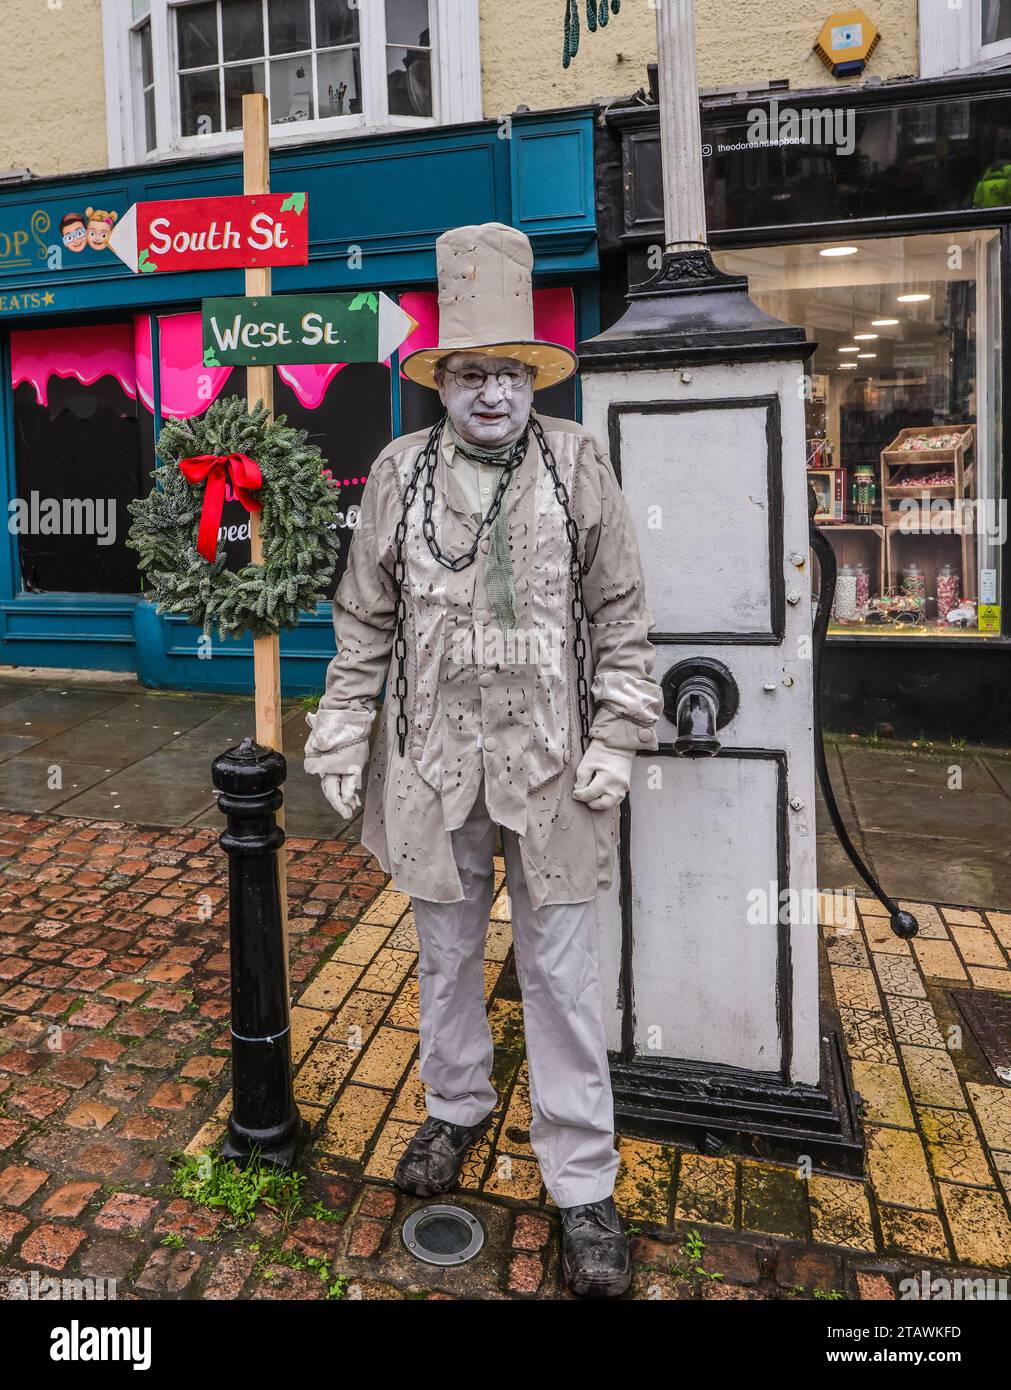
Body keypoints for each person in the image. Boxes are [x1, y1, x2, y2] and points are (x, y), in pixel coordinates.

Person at [304, 222, 662, 1298]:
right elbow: (364, 619)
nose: (492, 394)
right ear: (443, 383)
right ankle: (454, 1109)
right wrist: (340, 724)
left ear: (532, 379)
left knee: (560, 973)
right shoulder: (399, 472)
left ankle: (581, 1178)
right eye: (471, 374)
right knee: (445, 956)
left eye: (509, 372)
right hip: (431, 767)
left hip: (551, 771)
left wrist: (617, 734)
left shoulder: (577, 462)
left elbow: (625, 615)